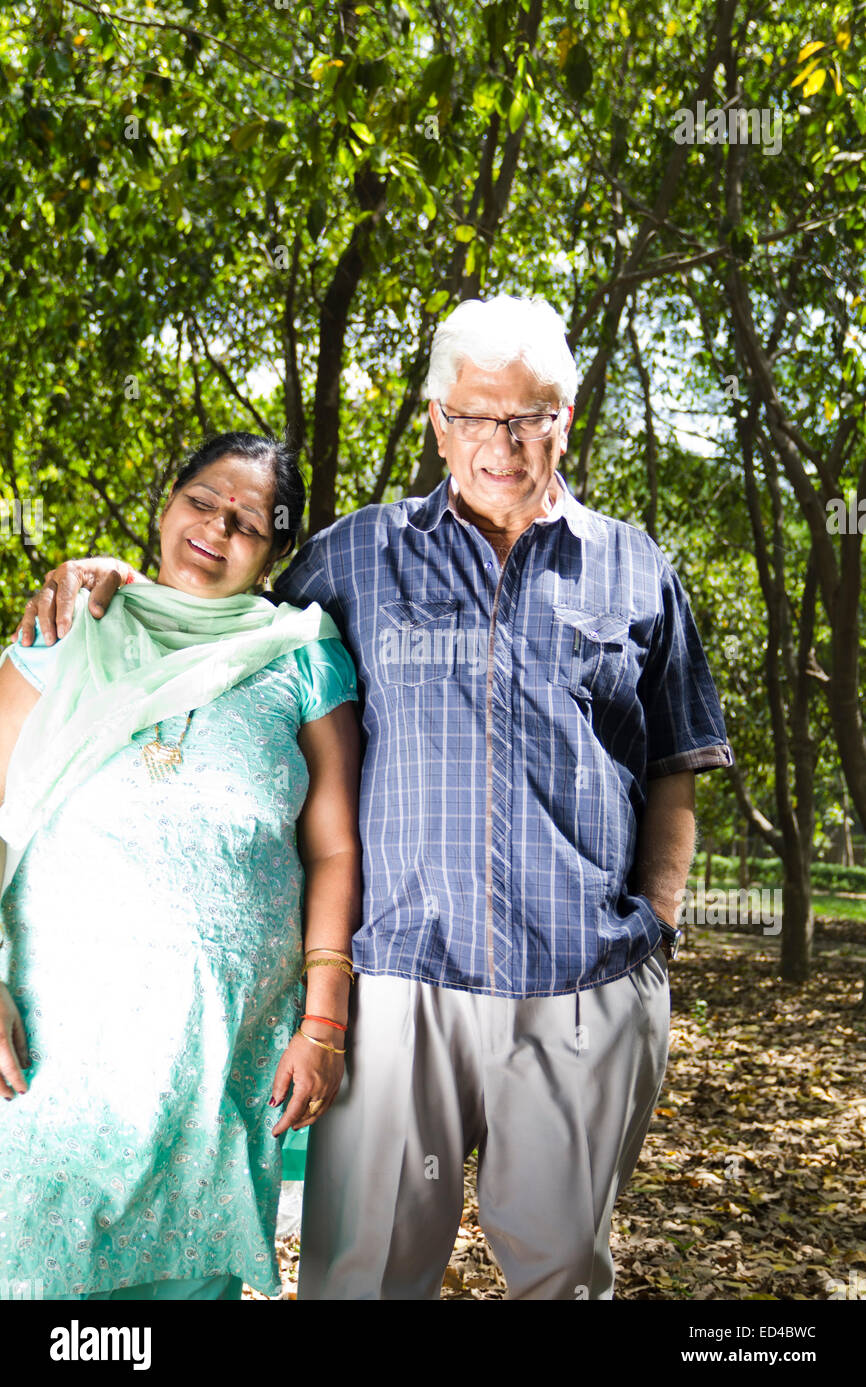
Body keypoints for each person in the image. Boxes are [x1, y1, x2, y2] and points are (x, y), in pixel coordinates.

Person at [18, 295, 732, 1301]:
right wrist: (109, 578)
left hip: (585, 984)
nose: (503, 441)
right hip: (399, 984)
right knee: (360, 1274)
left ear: (566, 418)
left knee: (564, 1269)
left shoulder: (636, 568)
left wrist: (653, 931)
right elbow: (220, 628)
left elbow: (673, 768)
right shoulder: (351, 556)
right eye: (477, 415)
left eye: (530, 415)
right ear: (439, 418)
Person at [0, 432, 361, 1301]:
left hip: (221, 1058)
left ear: (276, 550)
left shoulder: (301, 654)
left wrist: (324, 1024)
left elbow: (335, 849)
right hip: (55, 1049)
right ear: (167, 505)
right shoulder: (72, 624)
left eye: (248, 520)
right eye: (202, 500)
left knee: (181, 1287)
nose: (217, 527)